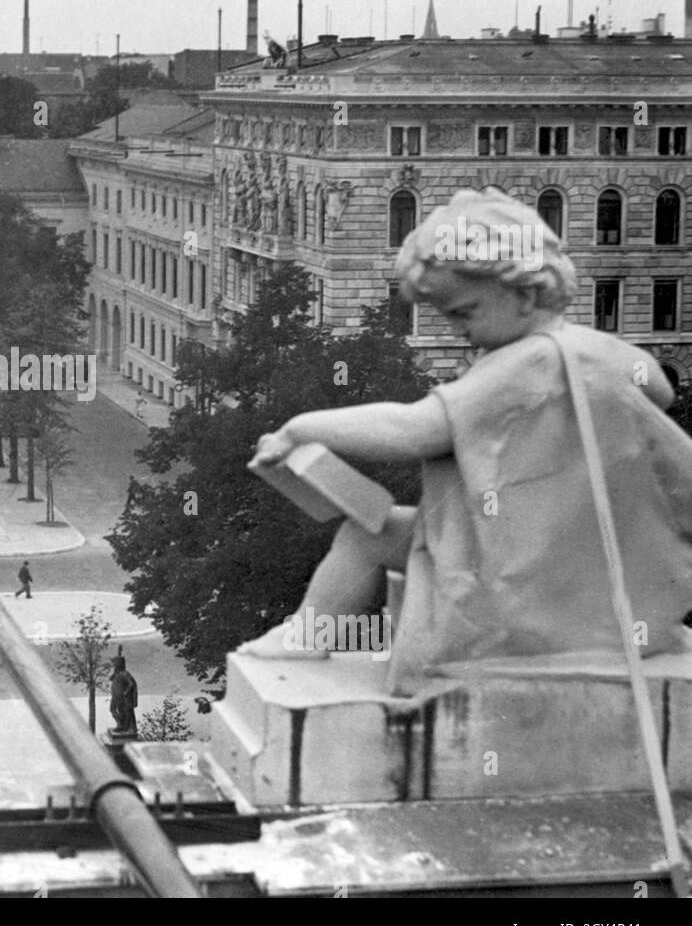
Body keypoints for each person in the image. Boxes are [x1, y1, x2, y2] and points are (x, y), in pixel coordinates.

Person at [241, 188, 692, 691]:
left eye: (464, 312)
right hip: (575, 565)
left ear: (522, 294)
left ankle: (309, 636)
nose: (457, 330)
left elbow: (411, 431)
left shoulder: (525, 363)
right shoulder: (593, 349)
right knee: (387, 532)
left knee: (368, 534)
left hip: (522, 573)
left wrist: (301, 428)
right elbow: (661, 389)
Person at [109, 653, 139, 736]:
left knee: (128, 711)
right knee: (112, 709)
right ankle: (121, 724)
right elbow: (111, 678)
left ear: (119, 664)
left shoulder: (125, 673)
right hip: (116, 696)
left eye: (115, 663)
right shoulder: (117, 673)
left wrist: (126, 691)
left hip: (122, 697)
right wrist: (115, 672)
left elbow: (131, 683)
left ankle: (132, 728)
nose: (114, 665)